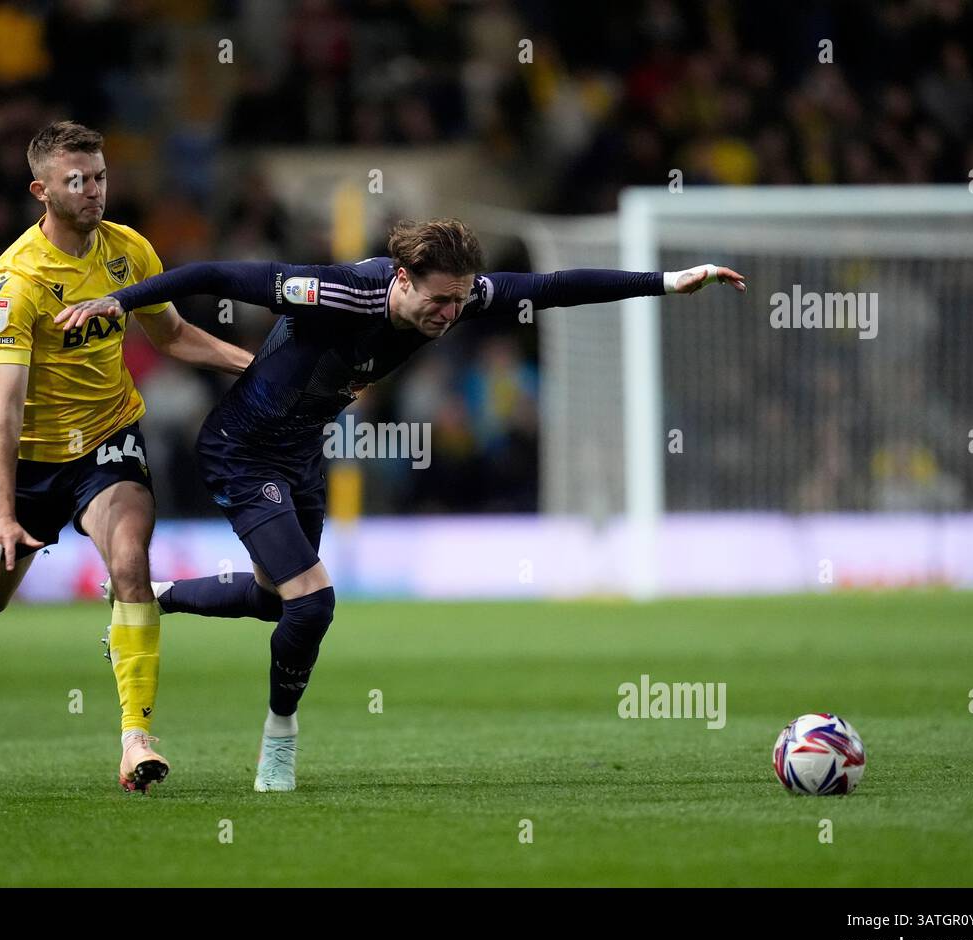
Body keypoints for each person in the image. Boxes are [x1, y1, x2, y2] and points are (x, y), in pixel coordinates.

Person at [57, 218, 746, 791]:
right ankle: (279, 742)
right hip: (242, 451)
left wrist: (666, 282)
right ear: (403, 280)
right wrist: (120, 303)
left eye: (460, 301)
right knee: (314, 600)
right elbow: (210, 274)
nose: (450, 316)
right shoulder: (333, 292)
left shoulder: (460, 296)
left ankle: (155, 597)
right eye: (439, 301)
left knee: (277, 602)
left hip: (301, 454)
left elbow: (556, 287)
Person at [0, 121, 253, 793]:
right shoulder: (16, 278)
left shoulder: (130, 250)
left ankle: (136, 738)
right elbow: (2, 414)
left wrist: (254, 365)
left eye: (100, 177)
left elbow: (171, 335)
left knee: (129, 563)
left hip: (107, 440)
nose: (93, 192)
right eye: (76, 181)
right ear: (41, 190)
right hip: (29, 459)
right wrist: (2, 514)